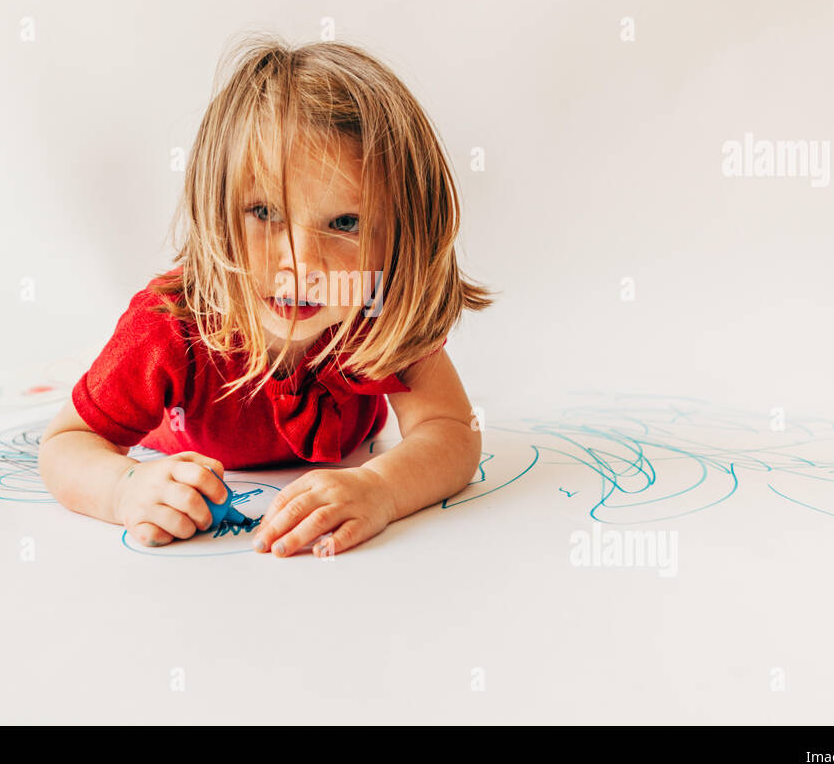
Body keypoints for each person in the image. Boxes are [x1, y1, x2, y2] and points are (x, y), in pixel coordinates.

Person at [39, 34, 496, 556]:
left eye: (344, 222)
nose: (301, 263)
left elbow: (452, 432)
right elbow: (65, 443)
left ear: (400, 237)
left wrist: (382, 488)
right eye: (264, 213)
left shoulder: (375, 305)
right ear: (215, 211)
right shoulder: (167, 326)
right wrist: (125, 490)